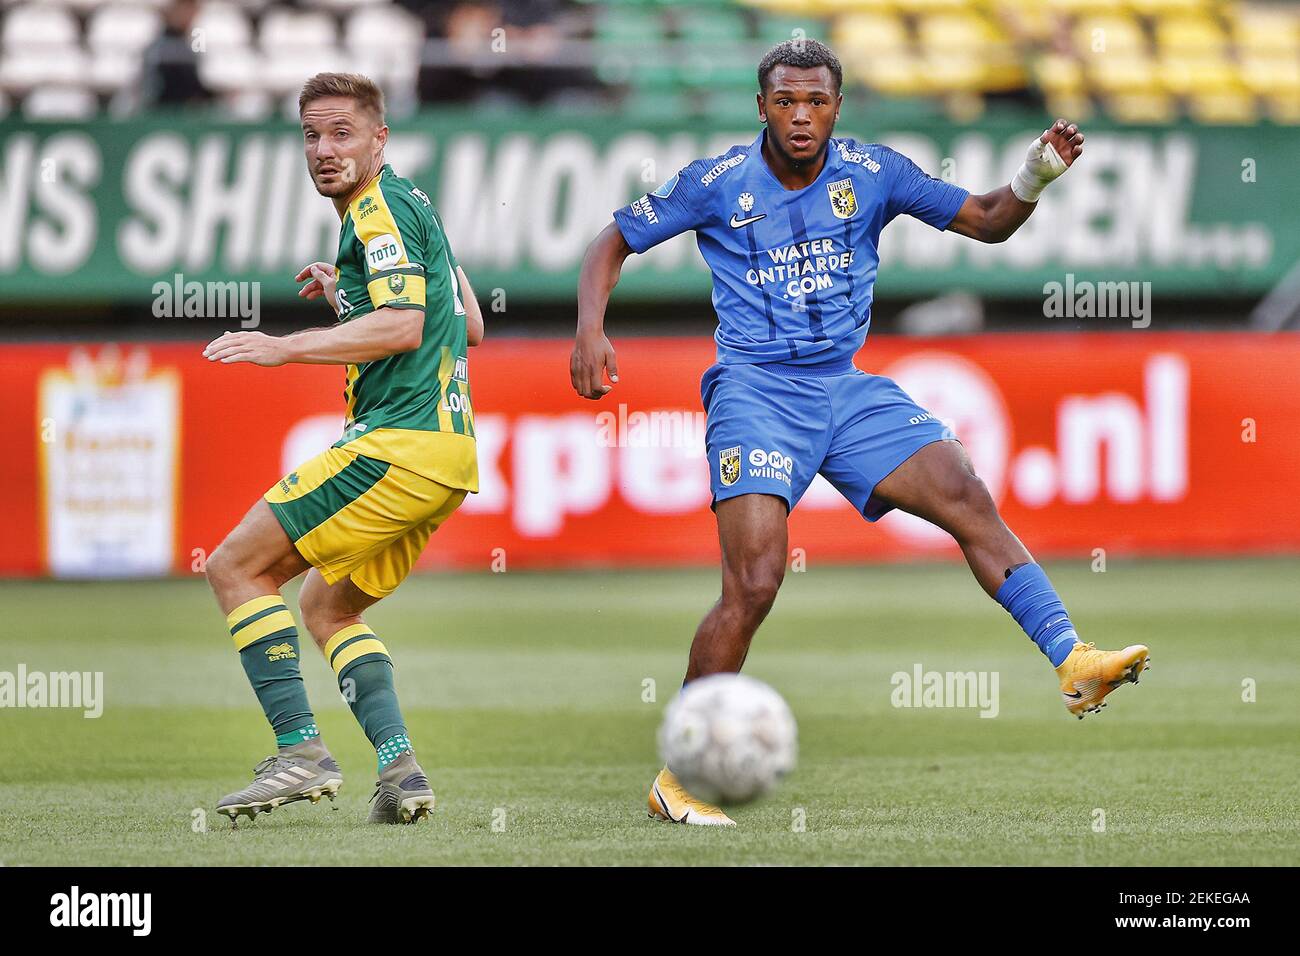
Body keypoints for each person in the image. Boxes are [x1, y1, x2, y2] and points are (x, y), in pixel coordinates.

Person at [570, 40, 1149, 827]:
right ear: (761, 107)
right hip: (756, 391)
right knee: (756, 582)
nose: (801, 116)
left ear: (838, 106)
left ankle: (1073, 660)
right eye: (785, 102)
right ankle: (681, 774)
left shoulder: (875, 173)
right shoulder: (715, 183)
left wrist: (1033, 178)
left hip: (845, 388)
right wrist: (591, 329)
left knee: (966, 495)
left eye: (816, 102)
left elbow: (985, 221)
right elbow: (611, 241)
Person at [202, 72, 483, 825]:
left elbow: (405, 327)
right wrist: (350, 295)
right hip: (449, 458)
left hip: (398, 446)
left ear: (378, 138)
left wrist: (283, 348)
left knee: (235, 565)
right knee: (327, 608)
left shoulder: (378, 210)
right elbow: (470, 325)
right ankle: (401, 772)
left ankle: (299, 752)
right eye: (311, 136)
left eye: (342, 133)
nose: (324, 151)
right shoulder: (410, 202)